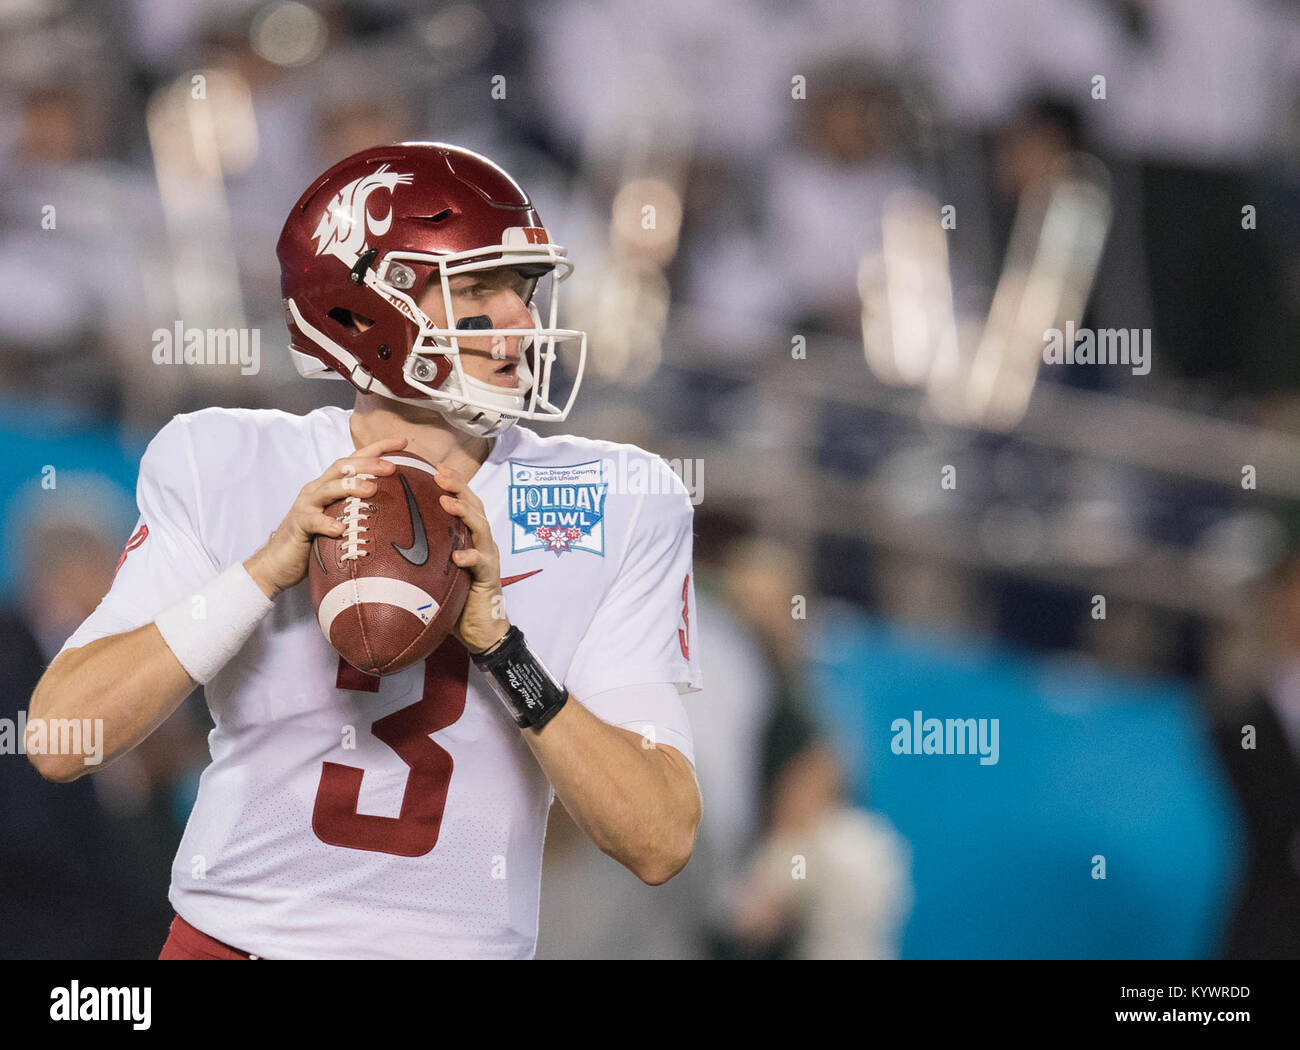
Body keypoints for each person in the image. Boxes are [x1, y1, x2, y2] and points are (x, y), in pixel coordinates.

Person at [28, 142, 703, 960]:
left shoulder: (619, 498)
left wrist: (502, 647)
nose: (522, 320)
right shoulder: (225, 462)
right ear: (365, 305)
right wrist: (262, 574)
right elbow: (62, 741)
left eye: (522, 289)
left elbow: (660, 840)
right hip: (238, 943)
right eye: (479, 287)